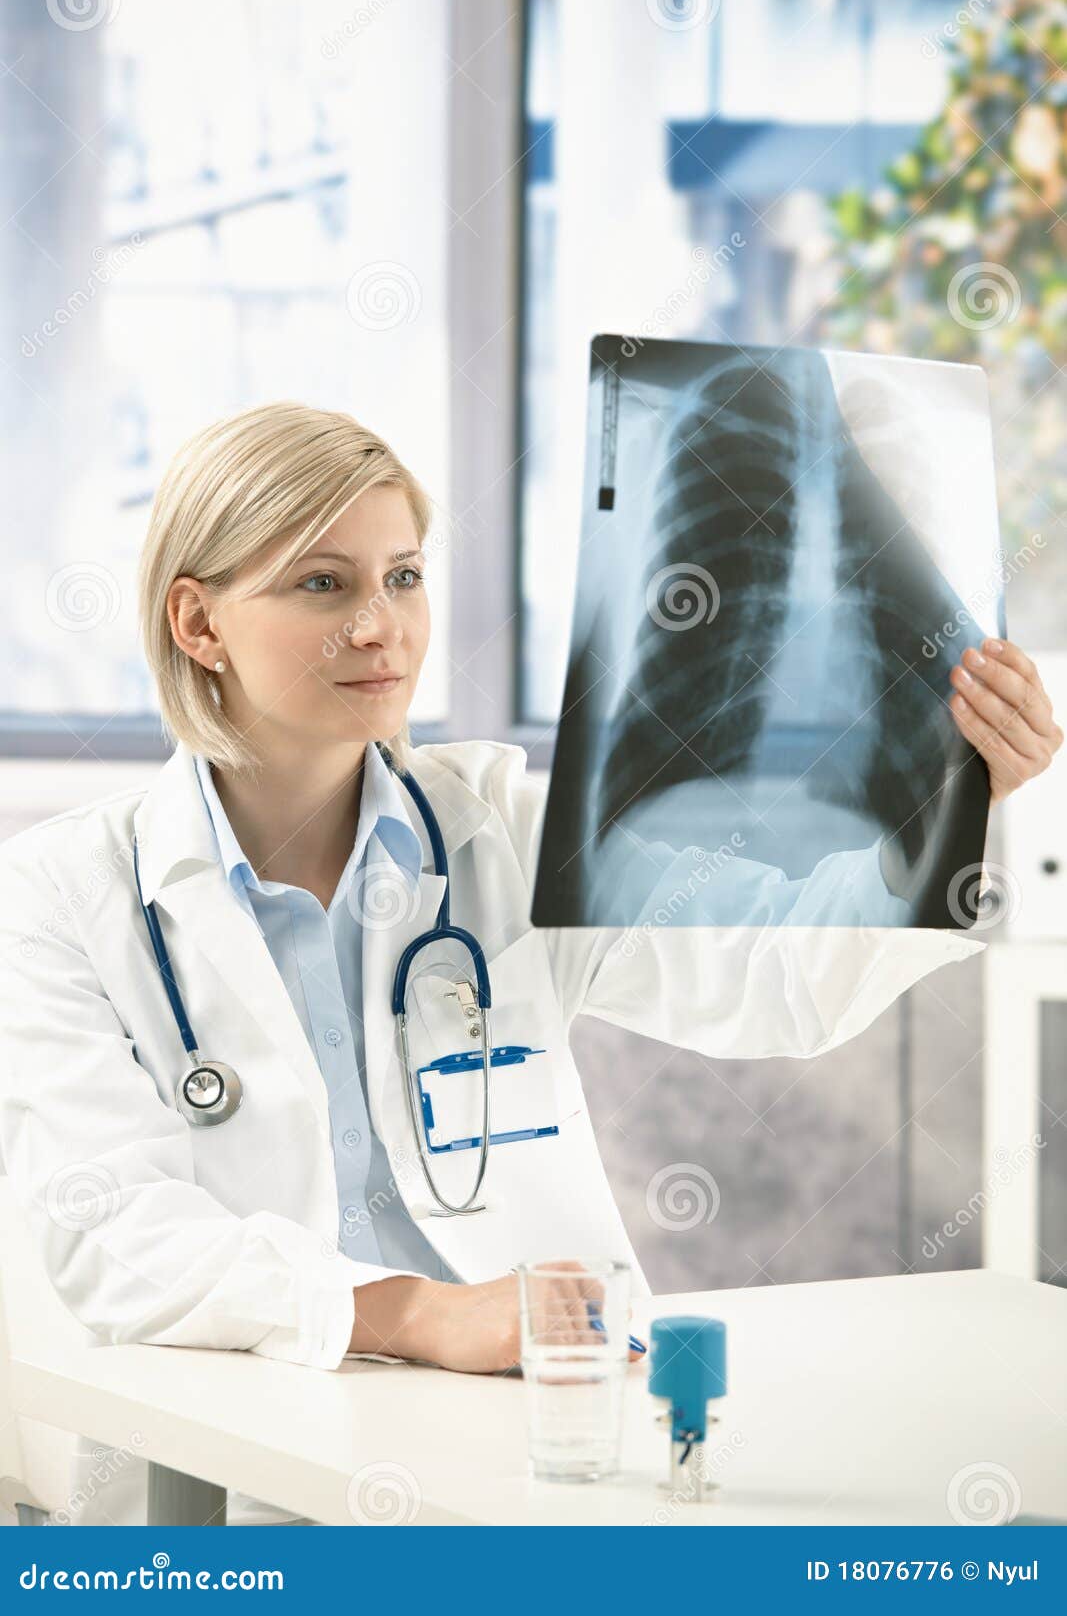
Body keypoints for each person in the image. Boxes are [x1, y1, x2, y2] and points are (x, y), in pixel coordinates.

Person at [0, 401, 1060, 1525]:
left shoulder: (500, 828)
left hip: (527, 1437)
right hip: (233, 1459)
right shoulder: (61, 892)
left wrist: (956, 801)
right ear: (197, 623)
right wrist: (414, 1314)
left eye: (402, 577)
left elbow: (773, 979)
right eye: (323, 584)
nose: (381, 627)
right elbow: (112, 1232)